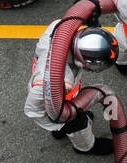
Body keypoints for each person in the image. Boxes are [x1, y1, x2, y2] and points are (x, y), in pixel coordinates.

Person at [25, 17, 119, 155]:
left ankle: (58, 131)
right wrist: (62, 124)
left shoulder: (59, 28)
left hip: (60, 94)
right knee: (78, 126)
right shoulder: (54, 81)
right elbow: (33, 110)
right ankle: (86, 147)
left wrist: (89, 19)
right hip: (53, 101)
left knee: (61, 121)